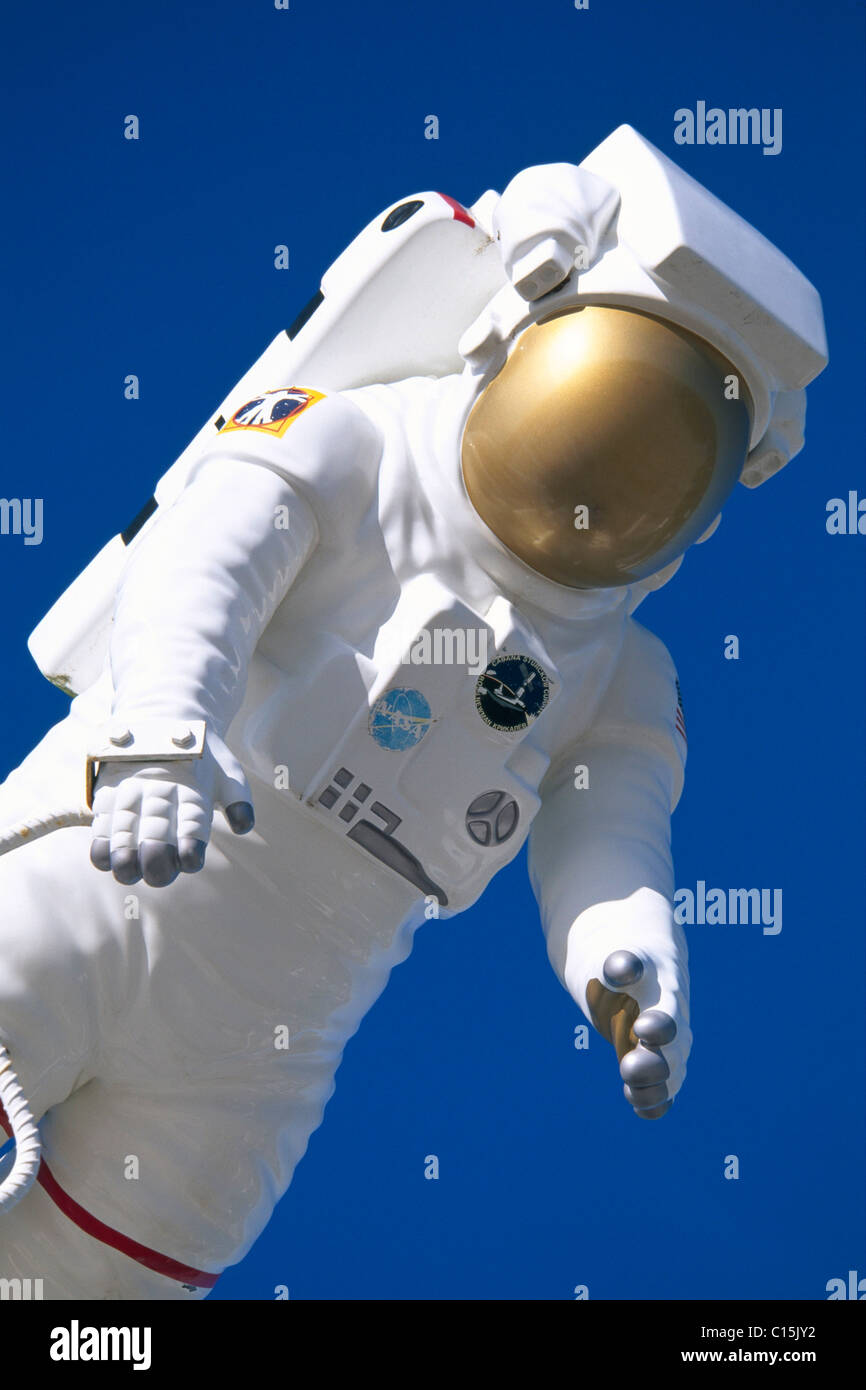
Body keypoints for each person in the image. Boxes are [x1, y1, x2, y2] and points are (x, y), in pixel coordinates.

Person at [0, 128, 827, 1298]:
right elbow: (205, 560)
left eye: (674, 444)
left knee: (95, 1310)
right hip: (87, 877)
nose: (625, 462)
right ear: (524, 324)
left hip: (256, 1060)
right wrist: (160, 737)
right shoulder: (355, 440)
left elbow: (611, 844)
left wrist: (629, 965)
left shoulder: (619, 676)